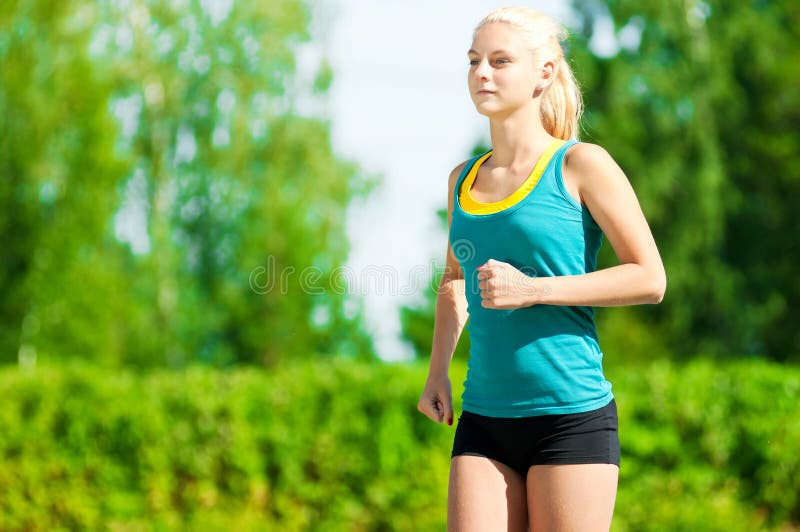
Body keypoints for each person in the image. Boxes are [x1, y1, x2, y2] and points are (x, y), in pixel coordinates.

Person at [416, 6, 667, 532]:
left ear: (544, 73)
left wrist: (535, 289)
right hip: (483, 417)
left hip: (570, 417)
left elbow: (649, 277)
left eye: (500, 61)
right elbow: (454, 285)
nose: (482, 73)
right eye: (474, 61)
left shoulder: (582, 165)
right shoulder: (461, 180)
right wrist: (438, 369)